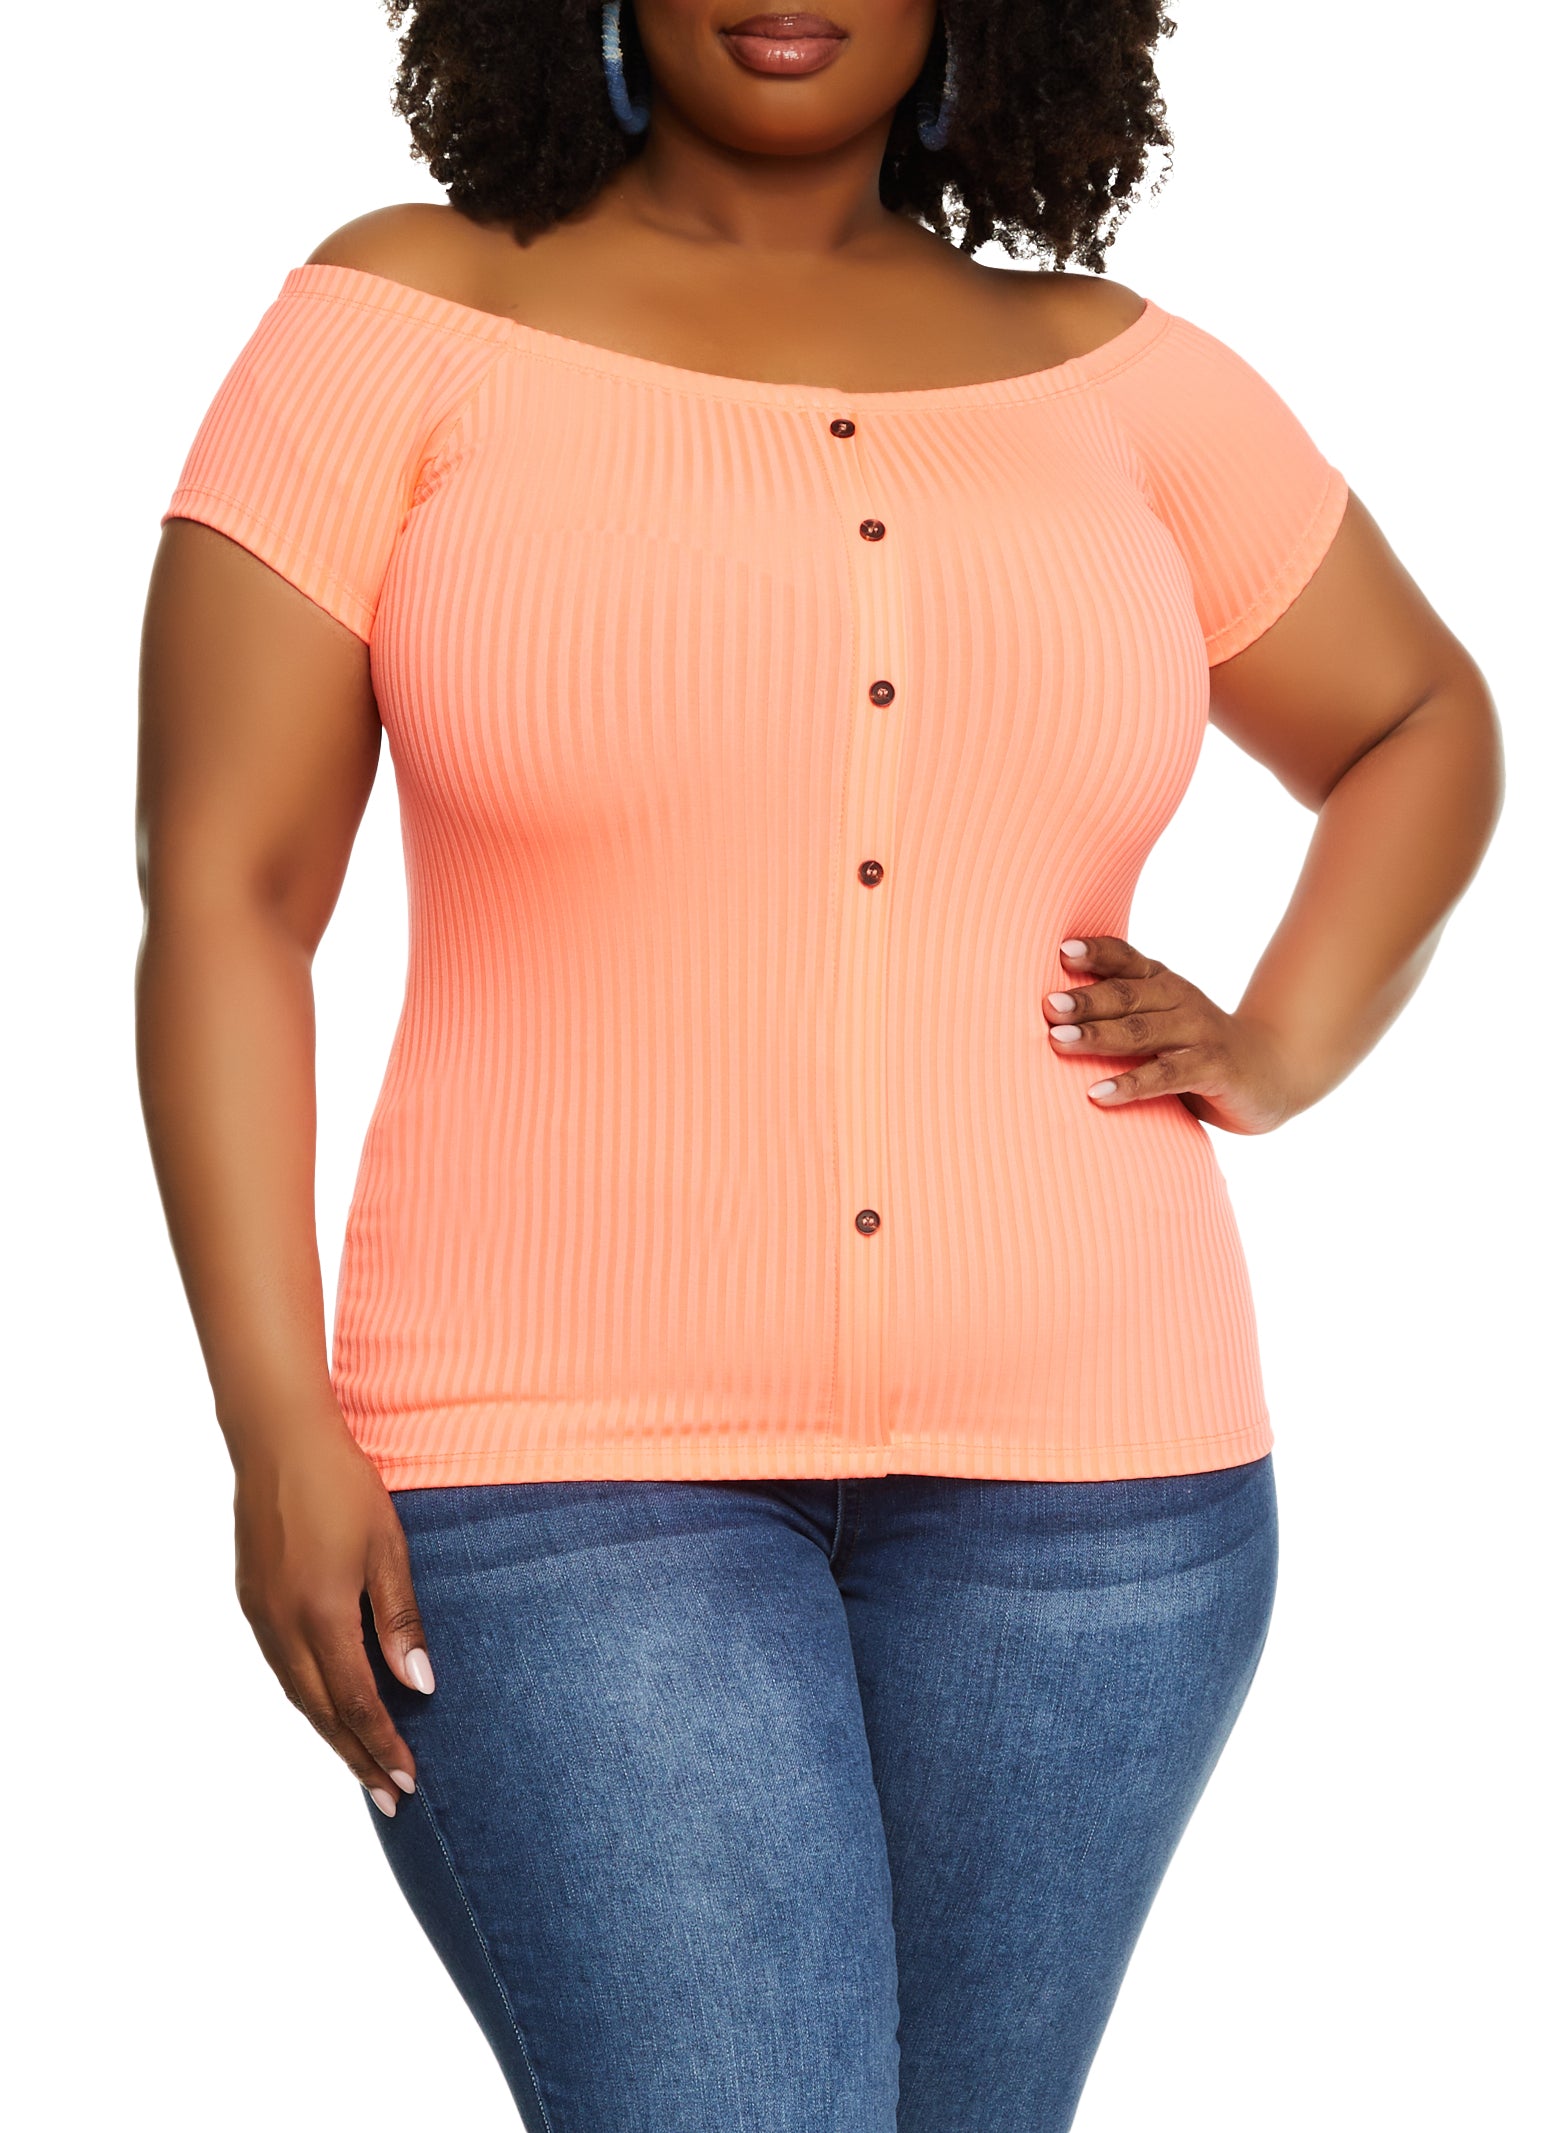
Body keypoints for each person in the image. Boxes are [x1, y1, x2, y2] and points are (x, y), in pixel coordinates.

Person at [134, 4, 1503, 2127]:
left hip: (1101, 1495)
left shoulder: (1117, 380)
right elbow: (228, 892)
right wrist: (271, 1417)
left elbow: (1419, 717)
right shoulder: (405, 317)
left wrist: (1281, 1036)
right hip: (547, 1470)